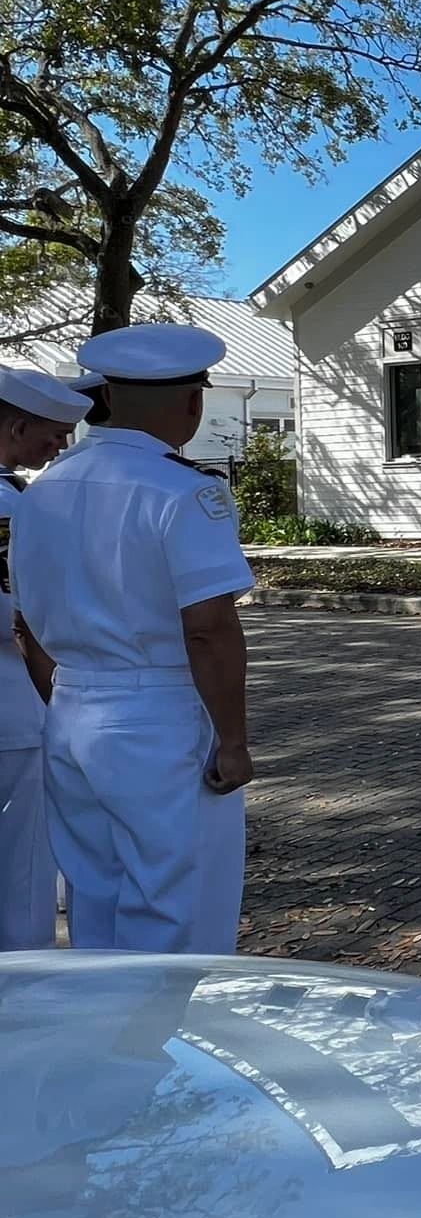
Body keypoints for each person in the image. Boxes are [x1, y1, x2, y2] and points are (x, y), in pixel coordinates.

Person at [10, 324, 254, 953]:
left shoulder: (40, 493)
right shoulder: (185, 490)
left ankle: (106, 1042)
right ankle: (165, 1044)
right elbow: (209, 628)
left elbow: (29, 627)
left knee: (95, 893)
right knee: (177, 904)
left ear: (109, 400)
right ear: (193, 402)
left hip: (72, 710)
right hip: (159, 712)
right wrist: (233, 739)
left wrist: (64, 698)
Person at [0, 368, 91, 950]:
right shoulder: (9, 505)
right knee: (22, 870)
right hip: (11, 713)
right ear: (15, 426)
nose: (59, 448)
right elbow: (18, 611)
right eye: (54, 435)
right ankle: (24, 1006)